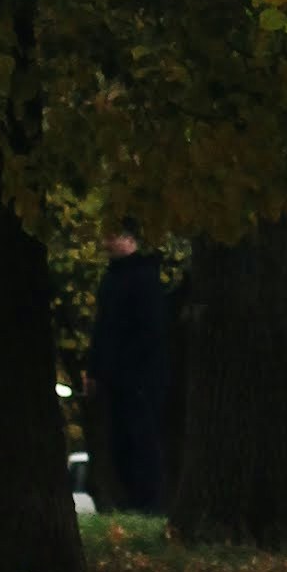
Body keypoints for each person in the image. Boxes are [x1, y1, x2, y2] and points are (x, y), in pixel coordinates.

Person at [84, 221, 173, 516]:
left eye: (112, 236)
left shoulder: (142, 278)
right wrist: (95, 371)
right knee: (122, 439)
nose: (106, 243)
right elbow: (102, 329)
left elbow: (149, 330)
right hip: (120, 375)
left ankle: (148, 502)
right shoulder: (114, 279)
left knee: (140, 438)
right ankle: (135, 499)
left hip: (139, 375)